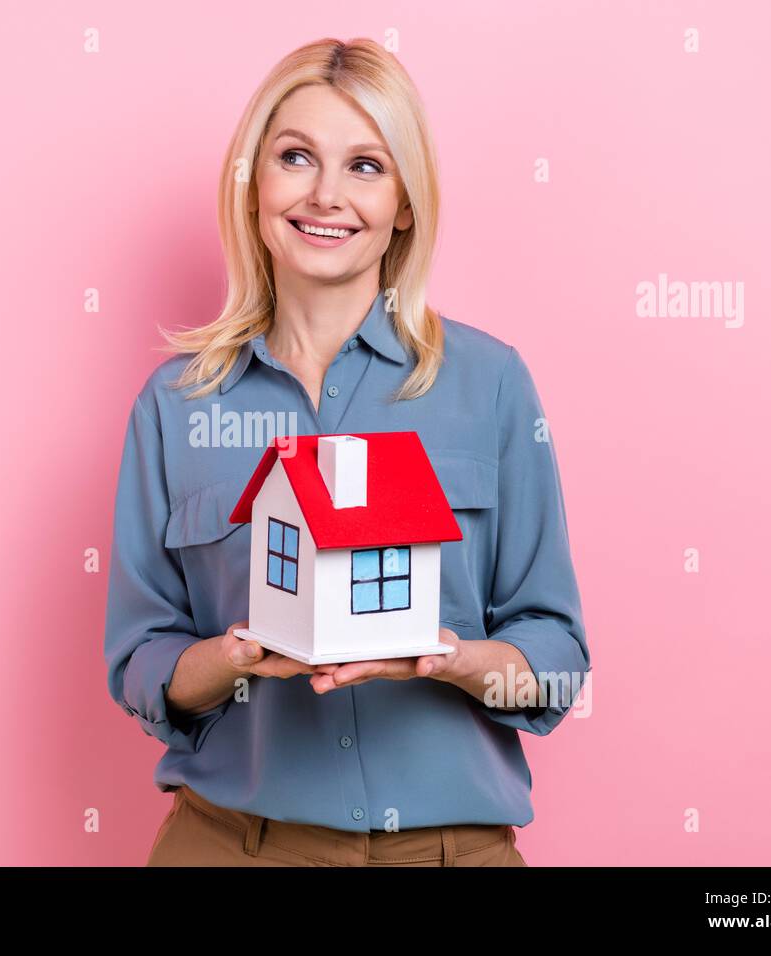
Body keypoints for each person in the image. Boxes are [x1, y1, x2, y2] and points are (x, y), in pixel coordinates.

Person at [103, 37, 590, 867]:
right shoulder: (176, 406)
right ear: (255, 183)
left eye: (366, 165)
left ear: (406, 202)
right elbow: (140, 659)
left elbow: (557, 663)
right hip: (233, 845)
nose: (326, 195)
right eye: (297, 157)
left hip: (450, 850)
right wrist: (234, 657)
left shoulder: (493, 384)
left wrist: (450, 658)